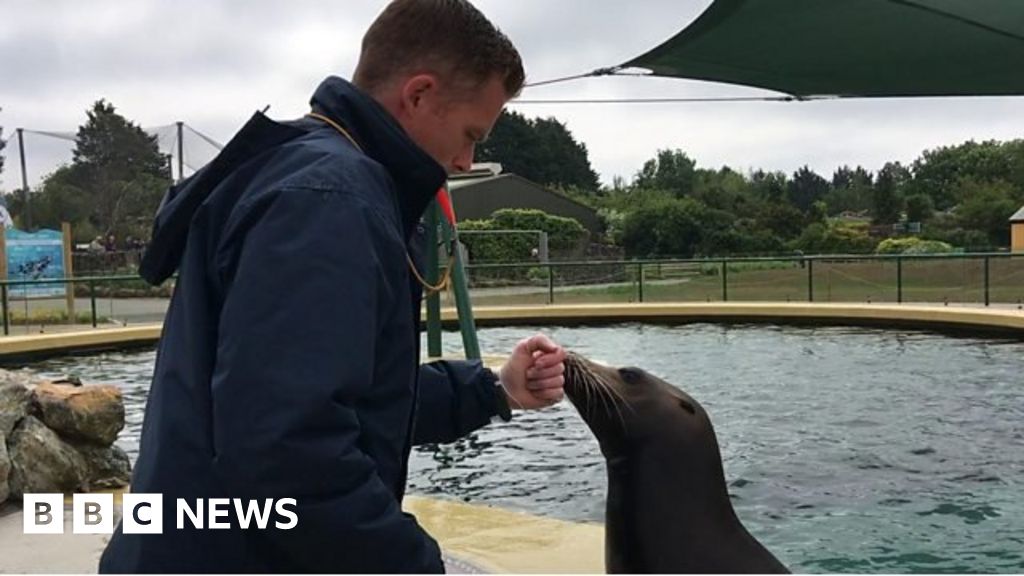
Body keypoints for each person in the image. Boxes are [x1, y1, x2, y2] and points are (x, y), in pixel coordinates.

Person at [99, 1, 565, 573]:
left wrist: (493, 389)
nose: (467, 162)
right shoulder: (330, 202)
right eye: (471, 134)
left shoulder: (296, 168)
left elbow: (336, 399)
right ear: (418, 94)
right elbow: (288, 453)